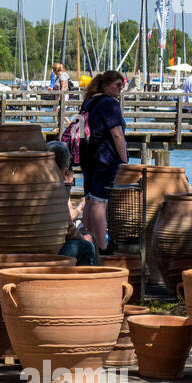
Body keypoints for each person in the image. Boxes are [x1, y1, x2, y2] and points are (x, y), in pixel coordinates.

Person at [79, 70, 128, 252]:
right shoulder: (109, 103)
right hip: (106, 158)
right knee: (101, 201)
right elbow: (117, 133)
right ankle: (102, 247)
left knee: (90, 199)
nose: (120, 89)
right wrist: (124, 160)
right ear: (105, 85)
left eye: (122, 85)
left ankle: (88, 243)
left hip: (88, 157)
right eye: (117, 85)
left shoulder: (89, 101)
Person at [47, 140, 98, 265]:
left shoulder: (38, 183)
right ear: (64, 168)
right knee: (87, 246)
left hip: (34, 246)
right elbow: (68, 225)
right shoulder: (56, 190)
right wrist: (81, 237)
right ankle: (89, 281)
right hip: (49, 251)